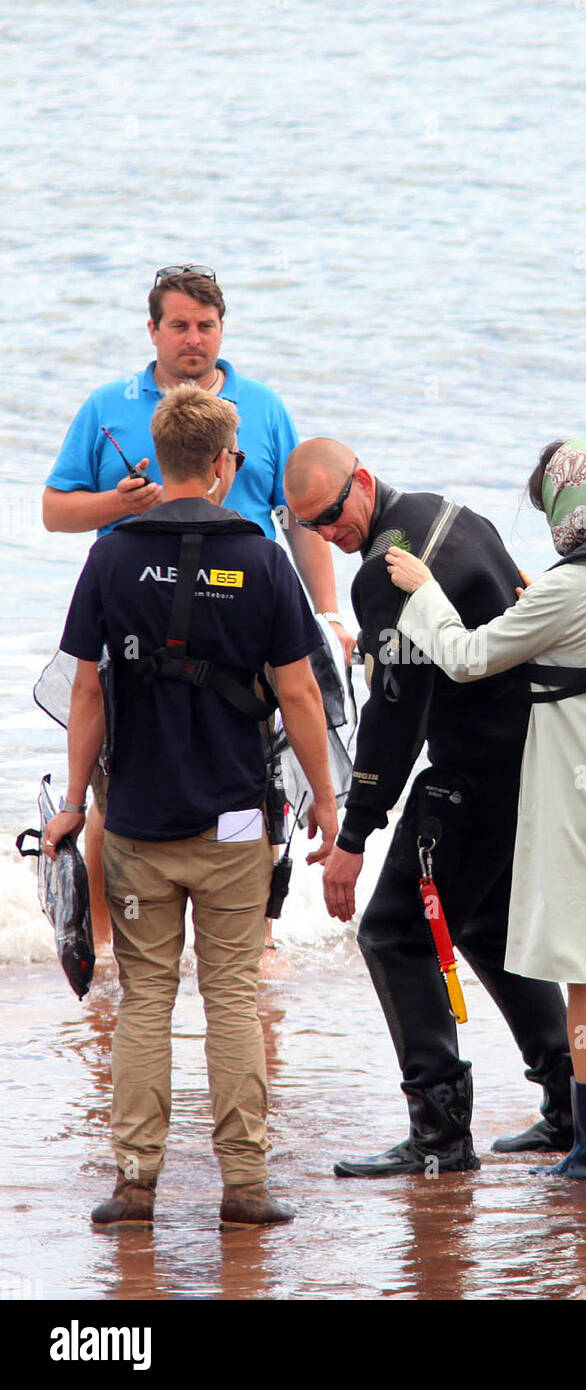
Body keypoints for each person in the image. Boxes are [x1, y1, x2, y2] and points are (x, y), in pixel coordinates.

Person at [43, 384, 338, 1226]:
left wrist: (73, 803)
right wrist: (324, 798)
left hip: (136, 818)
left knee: (143, 999)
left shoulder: (110, 557)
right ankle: (244, 1187)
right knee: (234, 998)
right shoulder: (263, 558)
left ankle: (136, 1184)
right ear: (223, 466)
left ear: (162, 458)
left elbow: (88, 693)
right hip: (238, 822)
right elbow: (300, 696)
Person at [386, 438, 586, 1180]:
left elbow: (467, 656)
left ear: (573, 508)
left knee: (584, 968)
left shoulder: (571, 587)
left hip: (585, 793)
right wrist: (544, 603)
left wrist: (423, 589)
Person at [283, 438, 573, 1178]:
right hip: (529, 761)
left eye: (331, 514)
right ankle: (573, 1105)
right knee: (486, 922)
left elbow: (394, 718)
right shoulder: (456, 514)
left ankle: (440, 1136)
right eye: (309, 527)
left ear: (364, 482)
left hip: (474, 775)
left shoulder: (385, 576)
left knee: (391, 933)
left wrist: (355, 834)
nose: (327, 534)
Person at [42, 265, 353, 945]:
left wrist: (329, 615)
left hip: (246, 627)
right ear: (152, 329)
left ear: (222, 329)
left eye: (206, 326)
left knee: (258, 791)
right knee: (111, 788)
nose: (193, 339)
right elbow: (54, 510)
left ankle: (253, 938)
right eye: (178, 325)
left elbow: (300, 516)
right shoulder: (107, 406)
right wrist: (114, 506)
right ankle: (97, 943)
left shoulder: (263, 408)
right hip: (137, 621)